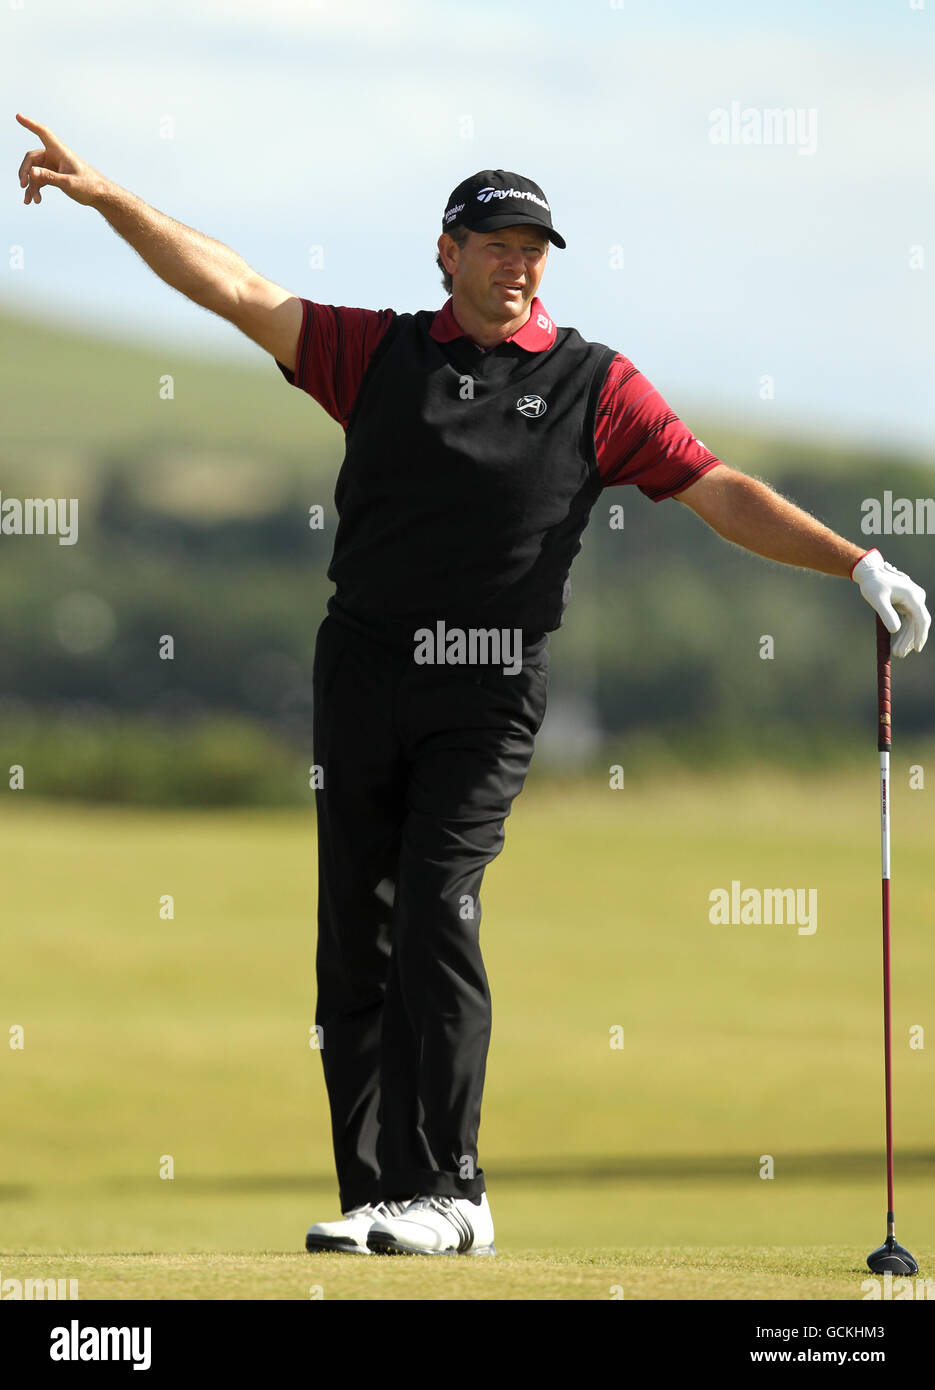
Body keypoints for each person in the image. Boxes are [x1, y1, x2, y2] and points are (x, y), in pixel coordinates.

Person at [17, 116, 929, 1258]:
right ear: (444, 252)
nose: (518, 260)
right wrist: (110, 198)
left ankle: (452, 1187)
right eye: (495, 241)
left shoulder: (596, 384)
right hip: (358, 670)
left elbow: (714, 486)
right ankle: (378, 1195)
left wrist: (853, 559)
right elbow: (240, 291)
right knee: (356, 939)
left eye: (533, 245)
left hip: (487, 688)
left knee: (438, 898)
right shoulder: (375, 355)